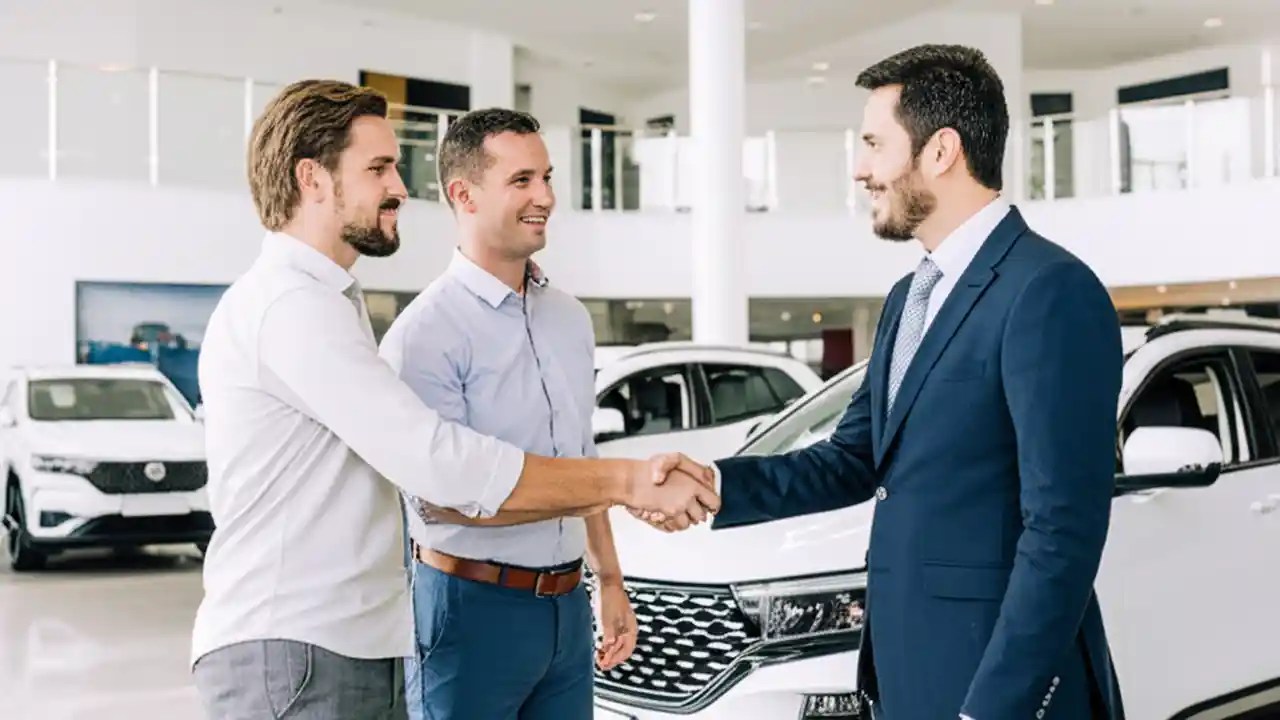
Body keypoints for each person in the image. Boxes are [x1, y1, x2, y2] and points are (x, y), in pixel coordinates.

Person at [190, 80, 717, 720]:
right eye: (378, 168)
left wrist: (607, 566)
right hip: (298, 648)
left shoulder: (324, 302)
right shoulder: (291, 307)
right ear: (313, 179)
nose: (400, 187)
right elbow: (437, 465)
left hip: (344, 644)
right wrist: (628, 481)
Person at [643, 45, 1126, 719]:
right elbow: (852, 459)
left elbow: (1063, 532)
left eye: (874, 144)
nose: (860, 169)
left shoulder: (1049, 290)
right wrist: (715, 484)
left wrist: (991, 709)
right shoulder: (909, 297)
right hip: (909, 673)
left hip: (995, 687)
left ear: (941, 151)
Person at [378, 107, 636, 720]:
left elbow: (581, 458)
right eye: (521, 180)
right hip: (468, 609)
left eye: (546, 178)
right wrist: (622, 485)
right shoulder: (423, 335)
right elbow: (443, 500)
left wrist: (610, 579)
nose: (545, 197)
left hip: (567, 607)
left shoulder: (570, 318)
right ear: (463, 195)